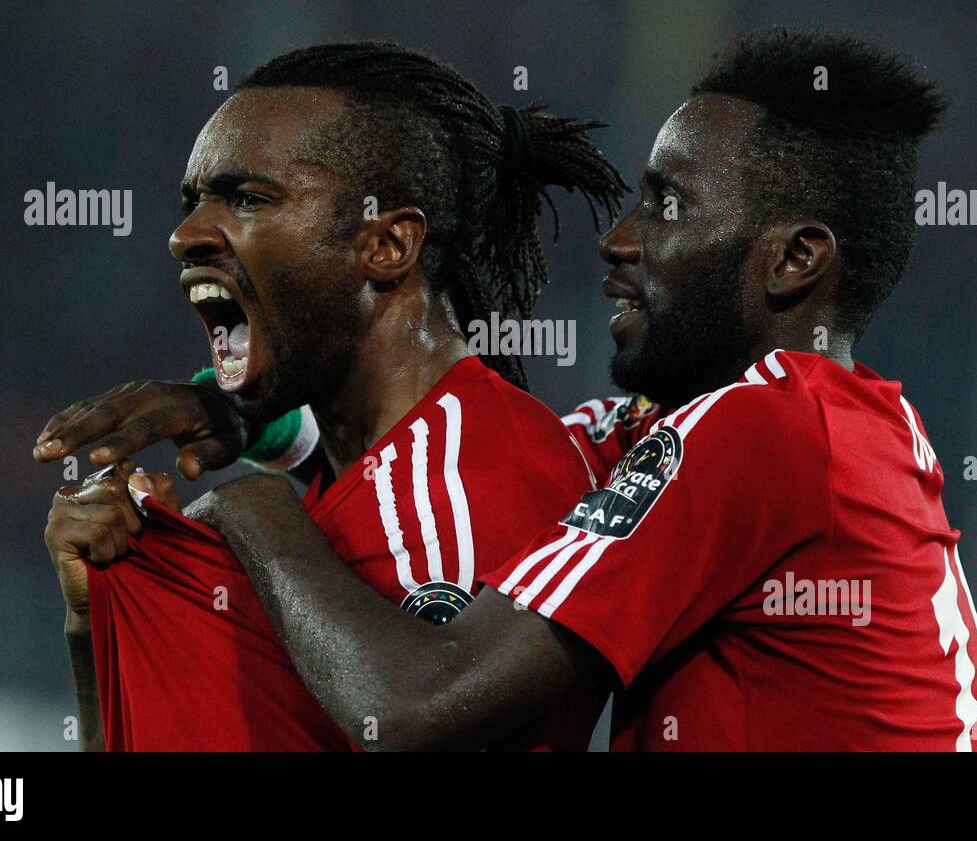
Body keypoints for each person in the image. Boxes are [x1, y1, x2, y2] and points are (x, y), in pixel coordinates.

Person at [55, 28, 977, 751]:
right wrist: (248, 421)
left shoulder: (774, 427)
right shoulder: (792, 427)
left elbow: (415, 703)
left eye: (666, 206)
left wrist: (250, 505)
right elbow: (514, 448)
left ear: (793, 261)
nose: (618, 239)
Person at [36, 41, 625, 750]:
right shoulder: (352, 481)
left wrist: (249, 507)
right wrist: (93, 629)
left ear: (386, 246)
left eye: (248, 198)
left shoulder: (462, 497)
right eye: (193, 203)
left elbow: (419, 708)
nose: (185, 235)